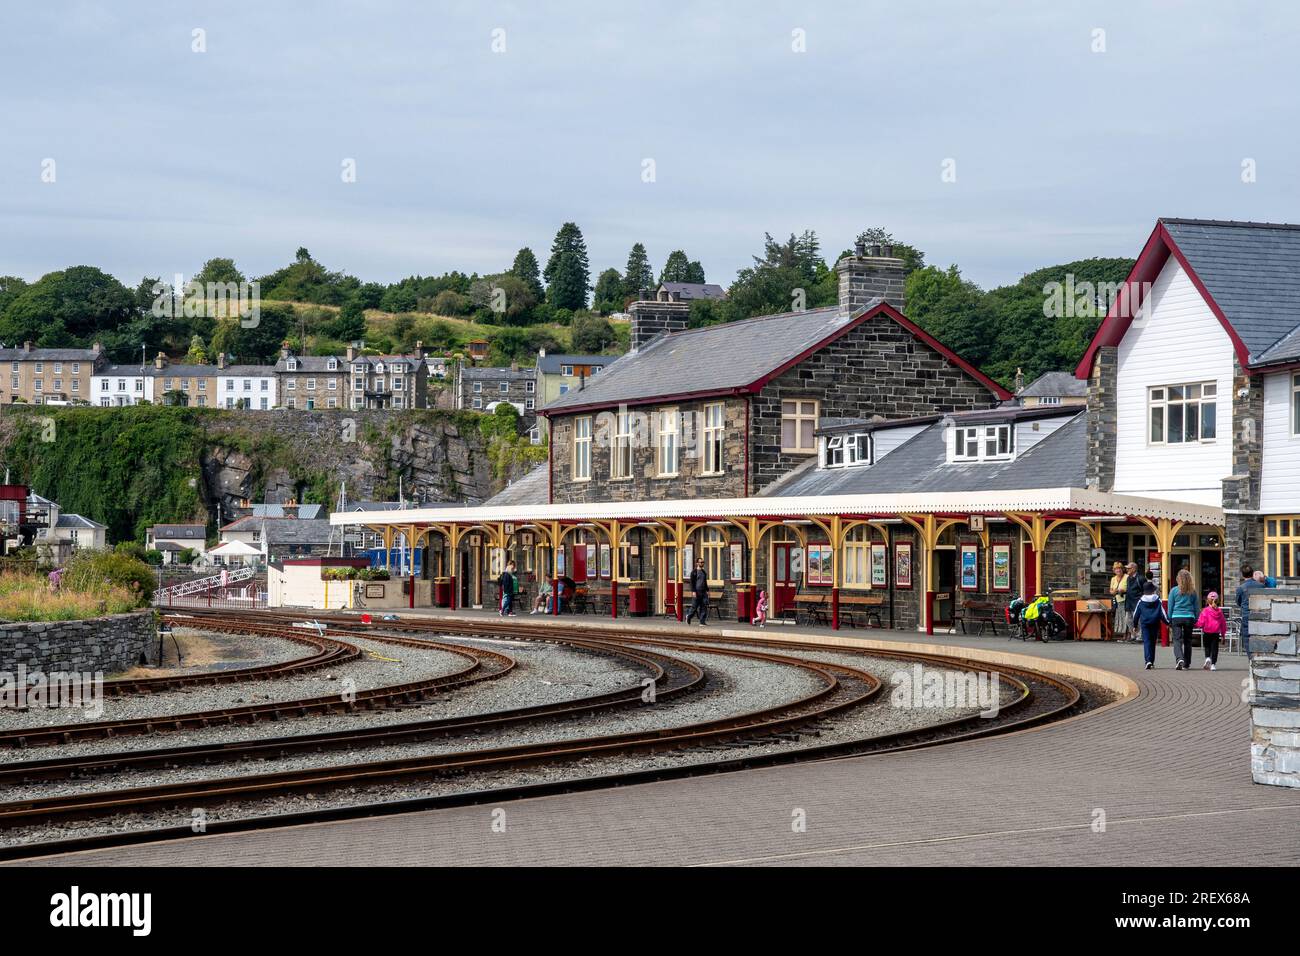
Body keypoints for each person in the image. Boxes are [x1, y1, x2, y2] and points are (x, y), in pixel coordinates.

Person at [1167, 568, 1200, 671]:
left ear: (1178, 579)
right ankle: (1186, 663)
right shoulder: (1193, 592)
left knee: (1177, 640)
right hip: (1189, 617)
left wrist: (1169, 619)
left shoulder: (1173, 591)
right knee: (1188, 641)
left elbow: (1170, 606)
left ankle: (1179, 659)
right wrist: (1196, 619)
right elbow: (1196, 607)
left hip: (1176, 617)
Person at [1133, 579, 1170, 669]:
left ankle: (1148, 661)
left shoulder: (1141, 601)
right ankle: (1151, 662)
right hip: (1155, 623)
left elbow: (1136, 614)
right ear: (1153, 590)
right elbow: (1162, 613)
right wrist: (1168, 623)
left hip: (1145, 624)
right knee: (1153, 642)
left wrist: (1135, 625)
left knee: (1147, 642)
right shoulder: (1158, 600)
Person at [1235, 565, 1263, 658]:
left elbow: (1238, 602)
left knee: (1247, 640)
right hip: (1260, 615)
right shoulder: (1262, 586)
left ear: (1242, 575)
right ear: (1252, 573)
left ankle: (1251, 659)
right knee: (1260, 638)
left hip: (1246, 616)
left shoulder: (1241, 588)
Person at [1196, 592, 1226, 671]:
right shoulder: (1220, 612)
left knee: (1207, 646)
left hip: (1207, 631)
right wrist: (1223, 634)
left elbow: (1201, 622)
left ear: (1207, 601)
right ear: (1218, 601)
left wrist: (1198, 625)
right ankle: (1213, 664)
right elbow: (1223, 624)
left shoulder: (1205, 610)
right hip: (1216, 633)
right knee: (1215, 648)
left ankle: (1208, 657)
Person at [1122, 562, 1146, 644]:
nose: (1127, 570)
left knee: (1138, 620)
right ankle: (1133, 635)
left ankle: (1139, 636)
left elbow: (1145, 590)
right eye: (1127, 568)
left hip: (1137, 602)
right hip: (1129, 601)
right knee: (1128, 620)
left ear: (1134, 569)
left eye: (1129, 568)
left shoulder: (1141, 578)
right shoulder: (1128, 578)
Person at [1109, 561, 1131, 642]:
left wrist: (1123, 590)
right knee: (1121, 618)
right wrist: (1113, 591)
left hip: (1126, 599)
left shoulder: (1127, 577)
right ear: (1114, 570)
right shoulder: (1113, 579)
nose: (1118, 570)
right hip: (1118, 600)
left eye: (1119, 568)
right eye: (1116, 569)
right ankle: (1123, 634)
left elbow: (1130, 589)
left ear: (1122, 569)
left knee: (1127, 617)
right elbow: (1111, 590)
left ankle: (1128, 634)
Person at [684, 559, 710, 626]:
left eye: (703, 562)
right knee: (694, 606)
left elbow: (705, 582)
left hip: (703, 591)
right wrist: (693, 591)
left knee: (704, 606)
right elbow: (692, 583)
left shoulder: (704, 572)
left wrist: (707, 590)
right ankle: (688, 616)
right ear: (697, 563)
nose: (702, 563)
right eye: (701, 562)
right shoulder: (694, 572)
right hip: (697, 591)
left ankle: (702, 622)